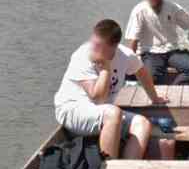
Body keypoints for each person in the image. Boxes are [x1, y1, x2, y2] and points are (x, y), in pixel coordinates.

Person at [56, 18, 168, 160]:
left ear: (113, 47)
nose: (92, 48)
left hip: (104, 113)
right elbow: (98, 99)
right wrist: (105, 70)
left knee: (142, 124)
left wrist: (154, 98)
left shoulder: (126, 55)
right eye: (93, 42)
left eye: (98, 46)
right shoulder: (82, 56)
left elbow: (142, 72)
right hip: (72, 110)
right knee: (113, 113)